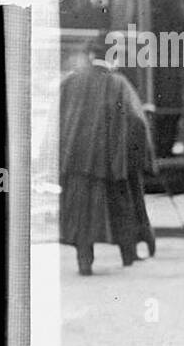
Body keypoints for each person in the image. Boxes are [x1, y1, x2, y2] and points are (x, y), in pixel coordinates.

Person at [58, 45, 157, 275]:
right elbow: (137, 122)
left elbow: (58, 119)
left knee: (82, 217)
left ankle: (85, 263)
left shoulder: (70, 82)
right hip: (112, 165)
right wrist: (144, 157)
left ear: (90, 57)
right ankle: (128, 256)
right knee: (121, 209)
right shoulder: (119, 84)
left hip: (77, 163)